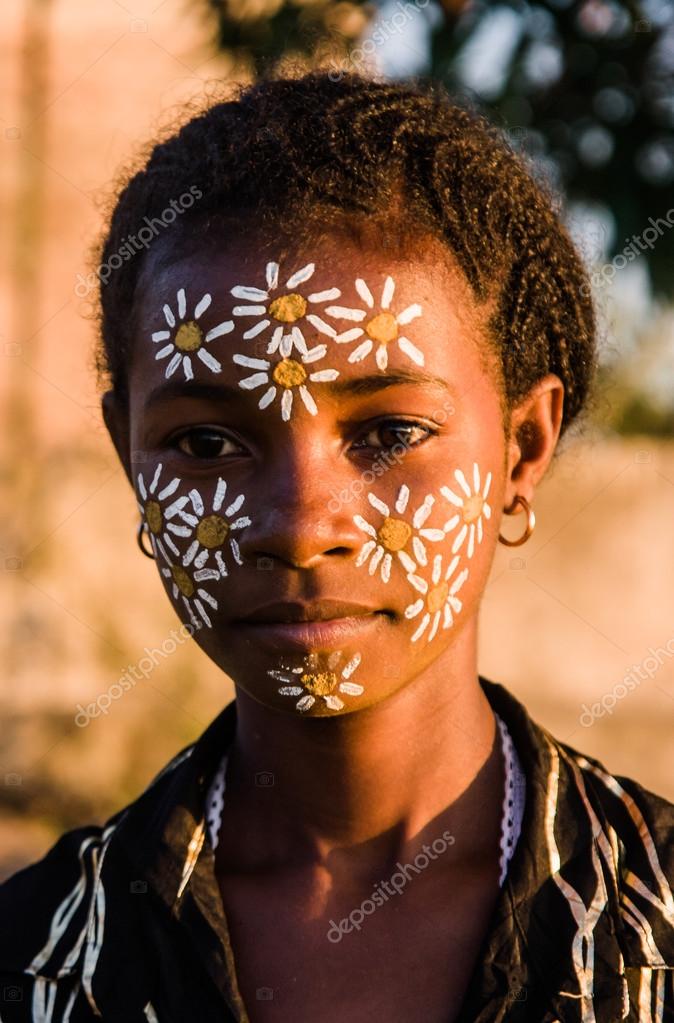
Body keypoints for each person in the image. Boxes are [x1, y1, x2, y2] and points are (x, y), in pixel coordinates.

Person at [1, 70, 672, 1023]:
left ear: (522, 448)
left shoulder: (652, 930)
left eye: (391, 432)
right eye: (205, 443)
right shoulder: (38, 961)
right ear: (129, 455)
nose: (300, 525)